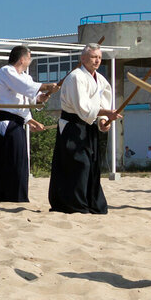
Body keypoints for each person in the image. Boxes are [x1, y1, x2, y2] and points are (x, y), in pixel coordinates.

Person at [47, 43, 120, 214]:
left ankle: (91, 203)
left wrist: (103, 120)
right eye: (94, 57)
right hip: (72, 126)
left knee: (92, 165)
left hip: (89, 126)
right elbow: (83, 108)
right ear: (83, 58)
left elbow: (104, 101)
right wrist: (106, 113)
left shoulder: (100, 79)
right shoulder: (75, 77)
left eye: (100, 57)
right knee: (80, 164)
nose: (97, 60)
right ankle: (73, 204)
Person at [0, 46, 54, 203]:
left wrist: (38, 101)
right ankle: (0, 196)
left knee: (19, 162)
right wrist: (46, 86)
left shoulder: (25, 77)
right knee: (6, 160)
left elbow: (26, 102)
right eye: (29, 57)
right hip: (5, 121)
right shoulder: (6, 71)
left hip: (17, 122)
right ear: (22, 59)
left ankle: (16, 196)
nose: (30, 61)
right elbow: (24, 88)